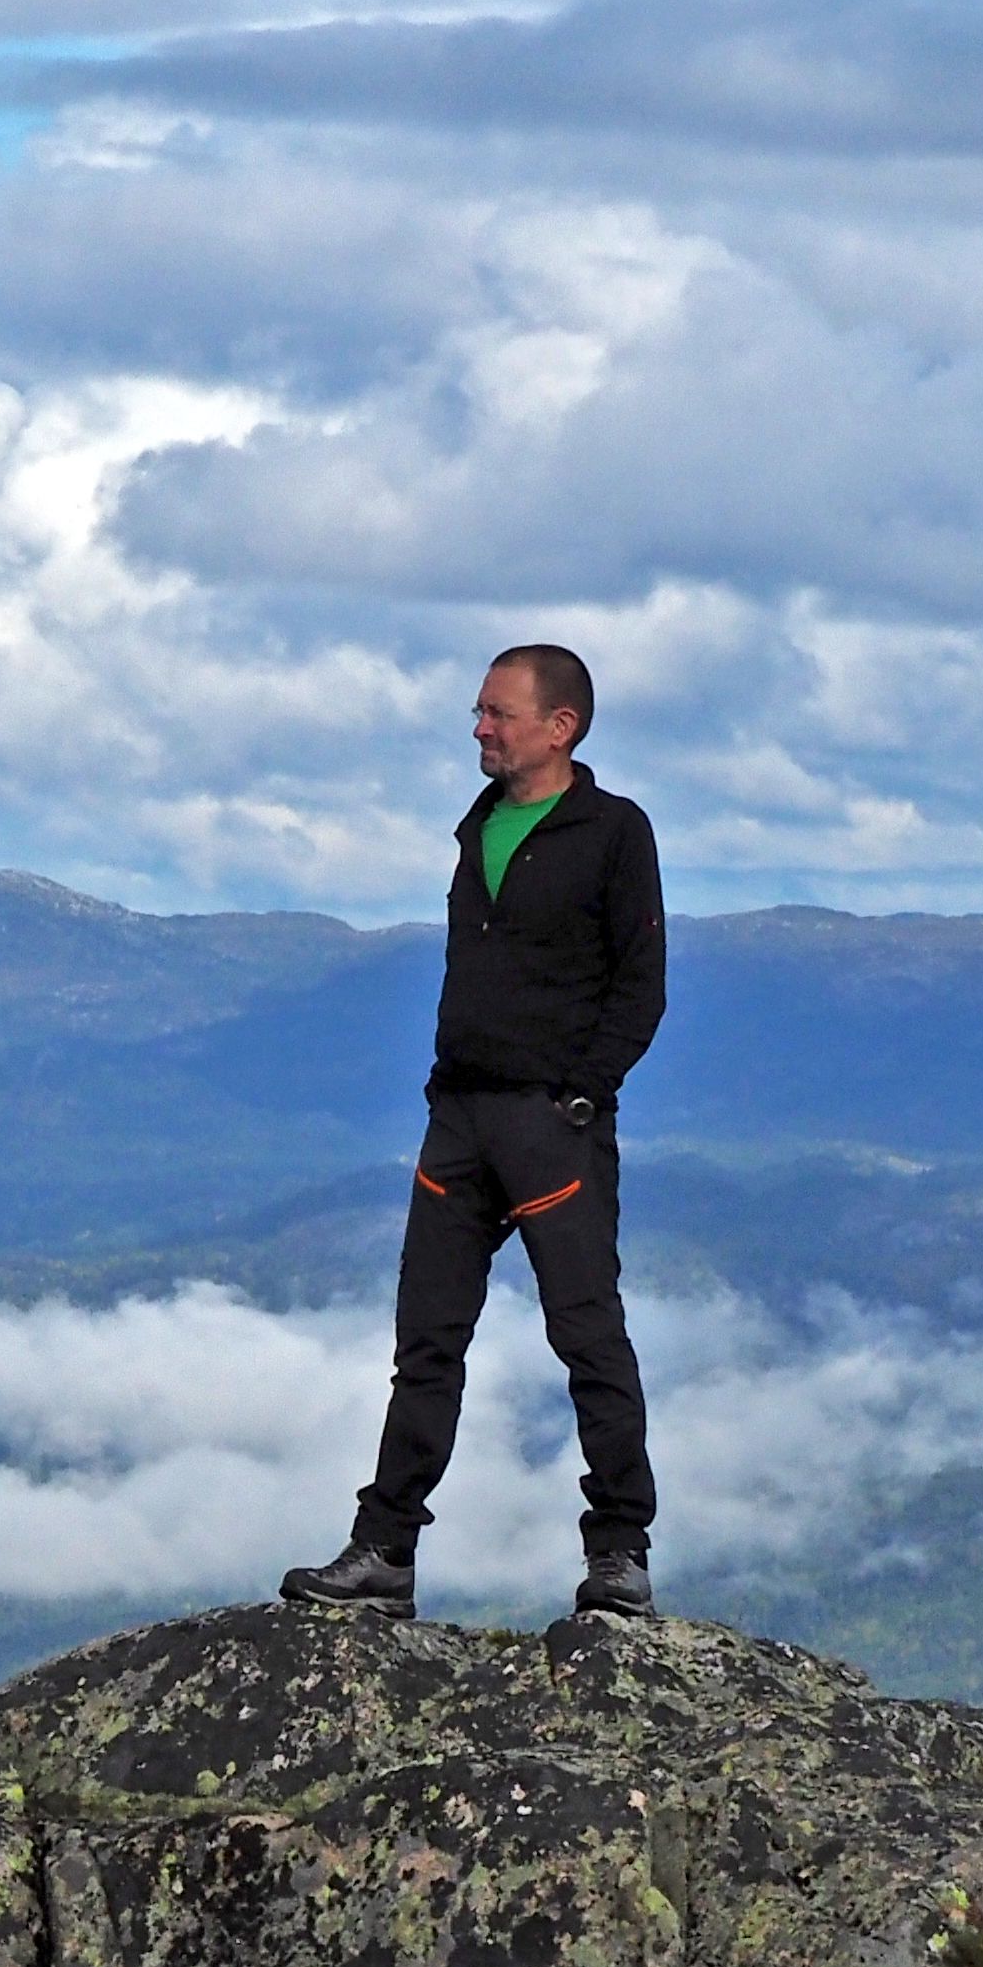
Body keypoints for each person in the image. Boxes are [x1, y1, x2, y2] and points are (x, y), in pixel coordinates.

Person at [281, 643, 665, 1624]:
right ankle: (384, 1553)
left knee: (587, 1337)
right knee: (427, 1344)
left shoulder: (612, 832)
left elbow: (641, 987)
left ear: (559, 726)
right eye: (480, 712)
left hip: (552, 1127)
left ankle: (619, 1554)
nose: (480, 727)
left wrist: (581, 1092)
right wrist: (447, 1085)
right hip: (459, 1122)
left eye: (498, 713)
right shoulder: (481, 824)